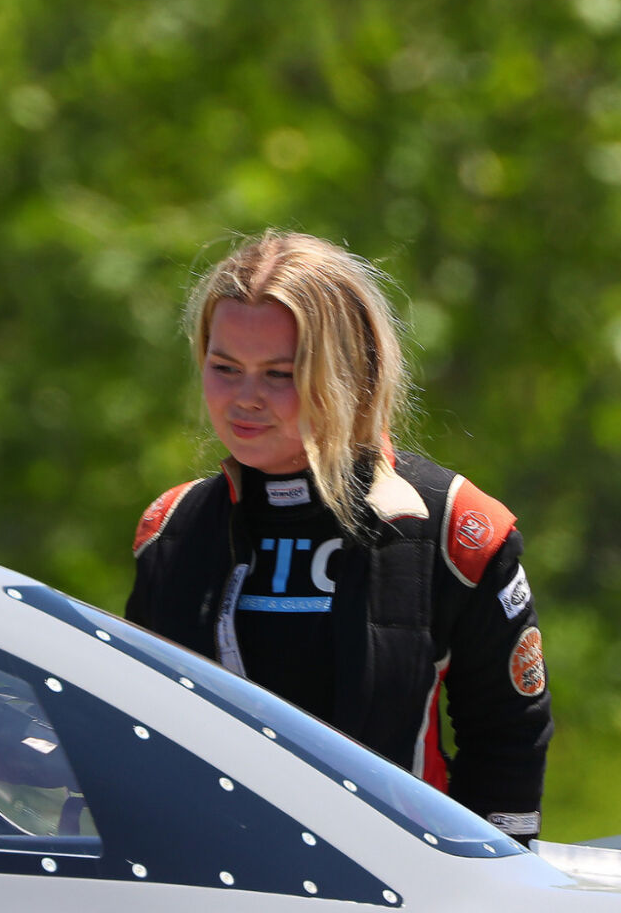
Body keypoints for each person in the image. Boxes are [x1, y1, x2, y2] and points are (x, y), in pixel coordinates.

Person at [123, 231, 551, 842]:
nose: (245, 399)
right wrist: (10, 745)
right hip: (211, 895)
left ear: (351, 373)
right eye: (224, 368)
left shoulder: (458, 525)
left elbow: (509, 735)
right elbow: (139, 732)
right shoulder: (169, 528)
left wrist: (485, 893)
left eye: (280, 373)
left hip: (393, 903)